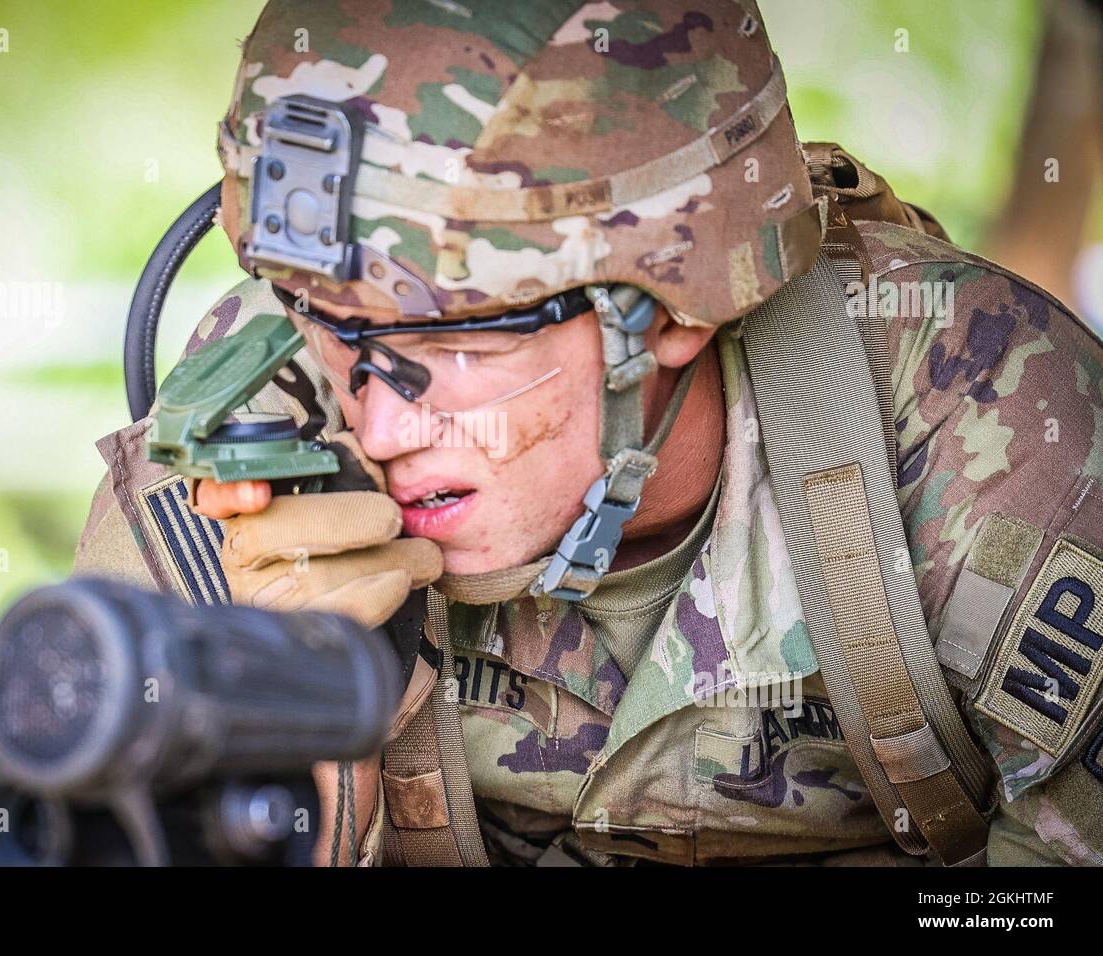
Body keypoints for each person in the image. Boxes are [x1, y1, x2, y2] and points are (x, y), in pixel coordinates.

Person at [75, 0, 1103, 866]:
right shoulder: (245, 448)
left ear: (672, 305)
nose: (376, 422)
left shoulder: (987, 416)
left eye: (457, 343)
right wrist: (306, 726)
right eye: (331, 325)